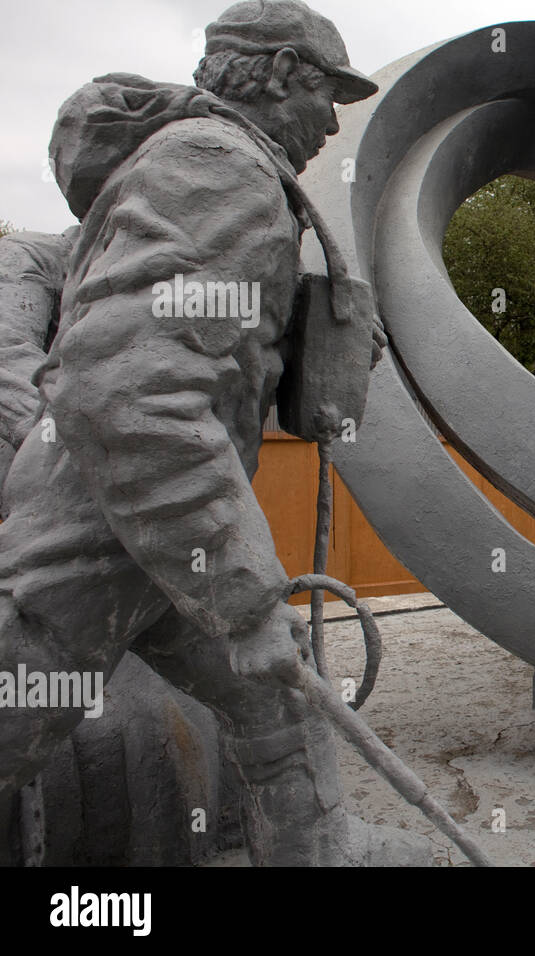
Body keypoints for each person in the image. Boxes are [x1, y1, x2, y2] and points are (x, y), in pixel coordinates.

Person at [0, 0, 420, 865]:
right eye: (323, 94)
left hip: (162, 541)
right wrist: (239, 588)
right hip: (107, 535)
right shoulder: (216, 168)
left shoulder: (223, 169)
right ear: (273, 75)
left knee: (284, 703)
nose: (331, 120)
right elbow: (129, 399)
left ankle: (318, 854)